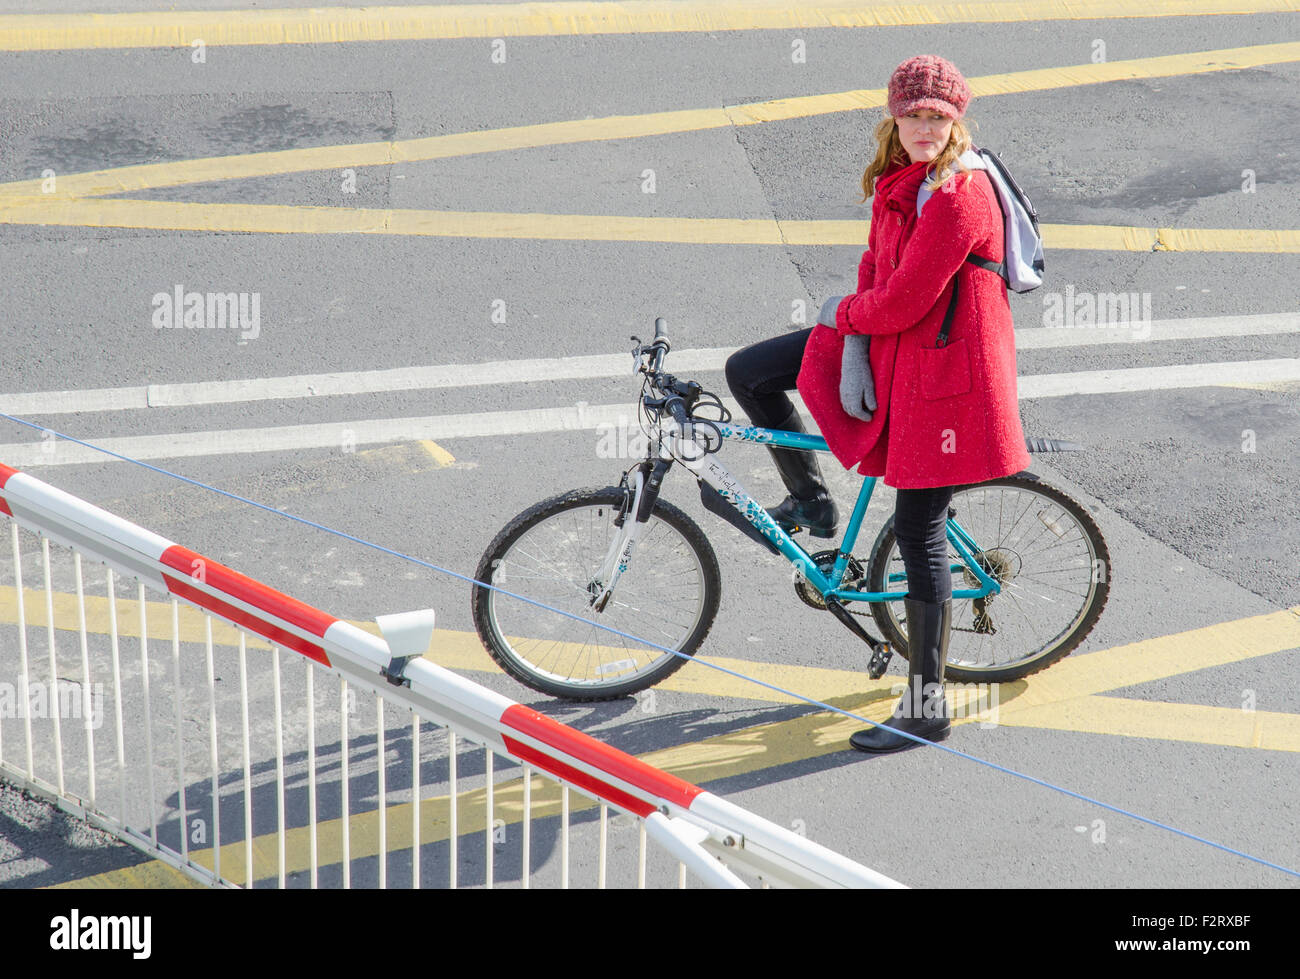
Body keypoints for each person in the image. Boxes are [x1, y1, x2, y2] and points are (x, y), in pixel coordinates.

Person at [724, 54, 1032, 753]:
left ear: (956, 120)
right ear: (893, 117)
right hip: (902, 345)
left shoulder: (959, 195)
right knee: (751, 371)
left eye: (937, 116)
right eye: (912, 114)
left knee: (918, 530)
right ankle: (810, 503)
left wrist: (849, 319)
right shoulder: (903, 179)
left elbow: (904, 299)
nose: (924, 126)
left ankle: (927, 709)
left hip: (950, 376)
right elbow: (876, 272)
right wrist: (852, 330)